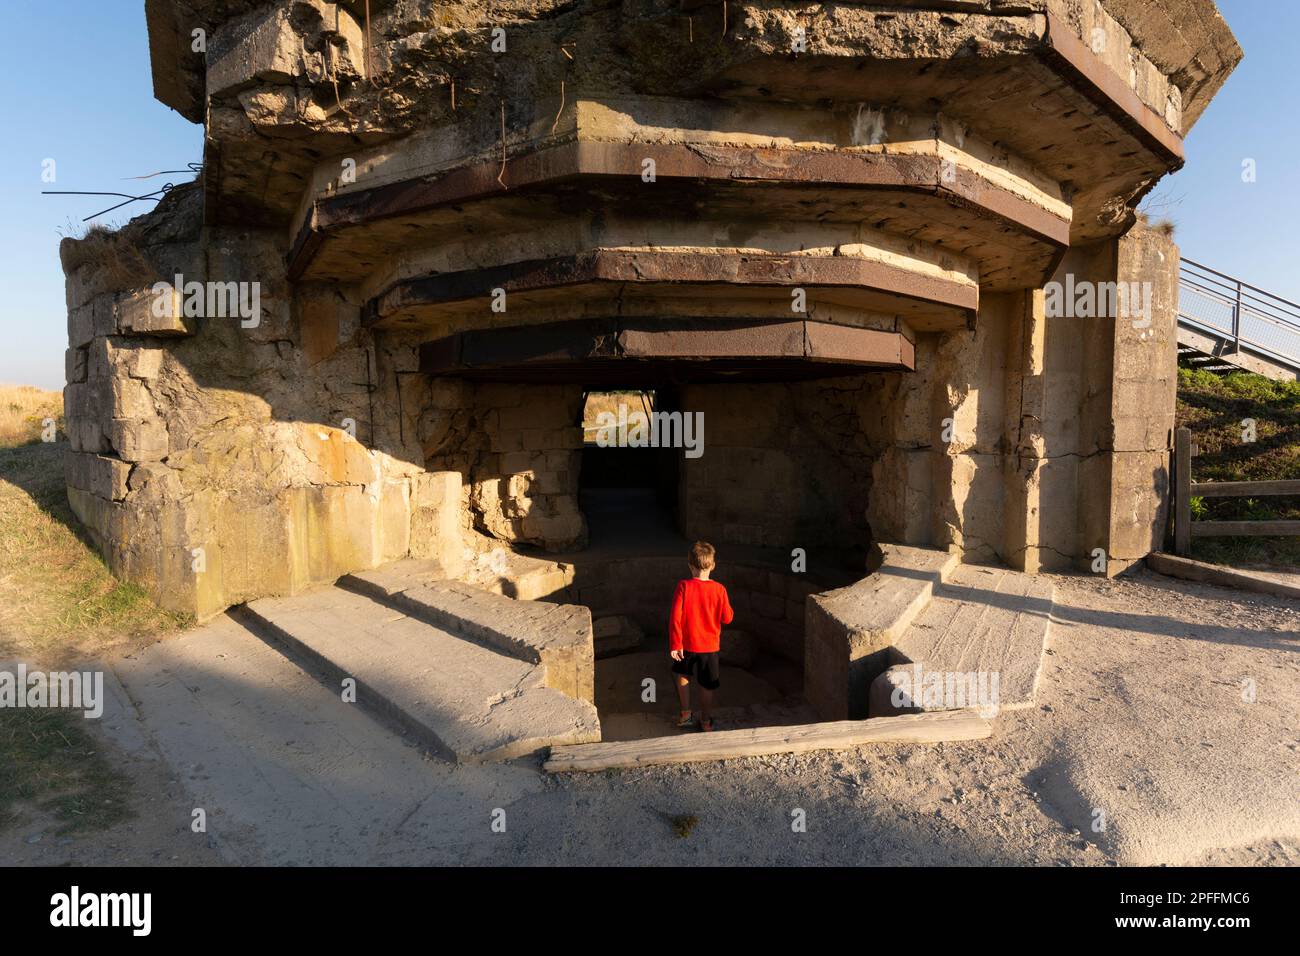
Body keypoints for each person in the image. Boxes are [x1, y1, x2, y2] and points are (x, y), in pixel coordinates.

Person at [668, 541, 734, 732]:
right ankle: (705, 721)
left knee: (683, 674)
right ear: (713, 565)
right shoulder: (719, 590)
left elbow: (675, 617)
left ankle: (686, 713)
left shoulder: (683, 586)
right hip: (709, 647)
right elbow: (727, 618)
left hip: (686, 644)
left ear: (690, 565)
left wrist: (675, 644)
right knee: (707, 684)